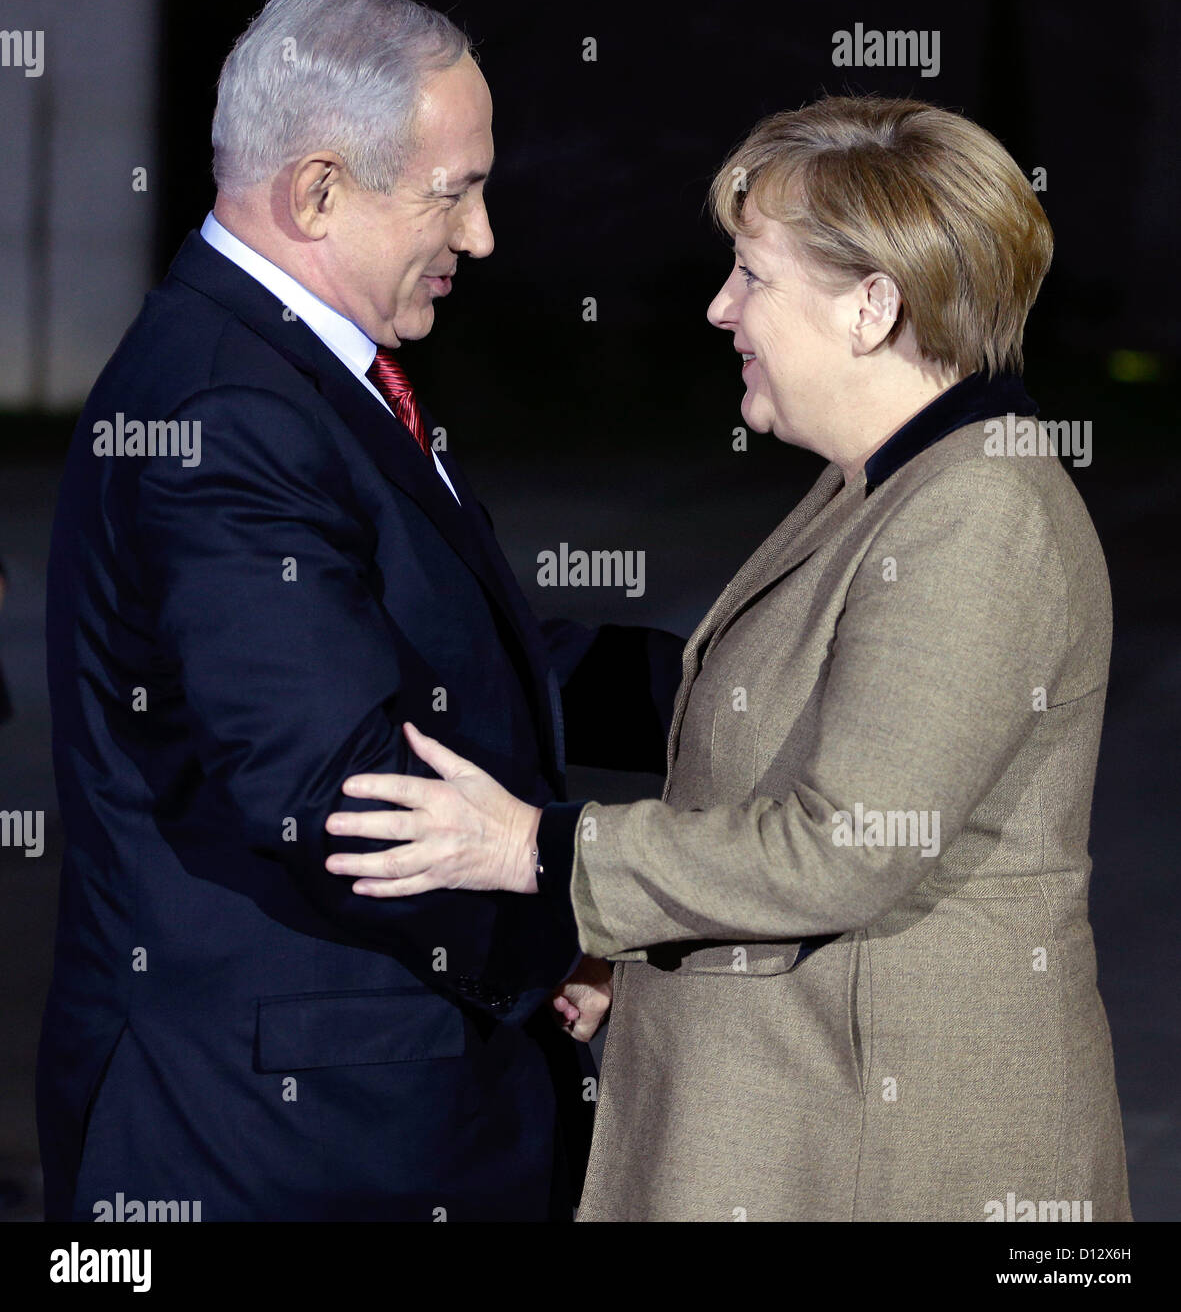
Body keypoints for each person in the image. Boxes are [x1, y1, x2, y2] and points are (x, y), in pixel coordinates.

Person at [324, 95, 1133, 1222]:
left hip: (887, 1154)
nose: (719, 309)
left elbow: (843, 845)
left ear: (870, 307)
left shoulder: (974, 515)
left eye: (752, 275)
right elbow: (767, 750)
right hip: (817, 1118)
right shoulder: (885, 482)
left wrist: (537, 849)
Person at [38, 0, 678, 1222]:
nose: (482, 236)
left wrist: (722, 688)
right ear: (319, 191)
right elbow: (336, 783)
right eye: (454, 191)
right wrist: (566, 933)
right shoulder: (227, 413)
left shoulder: (286, 372)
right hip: (278, 1141)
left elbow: (428, 662)